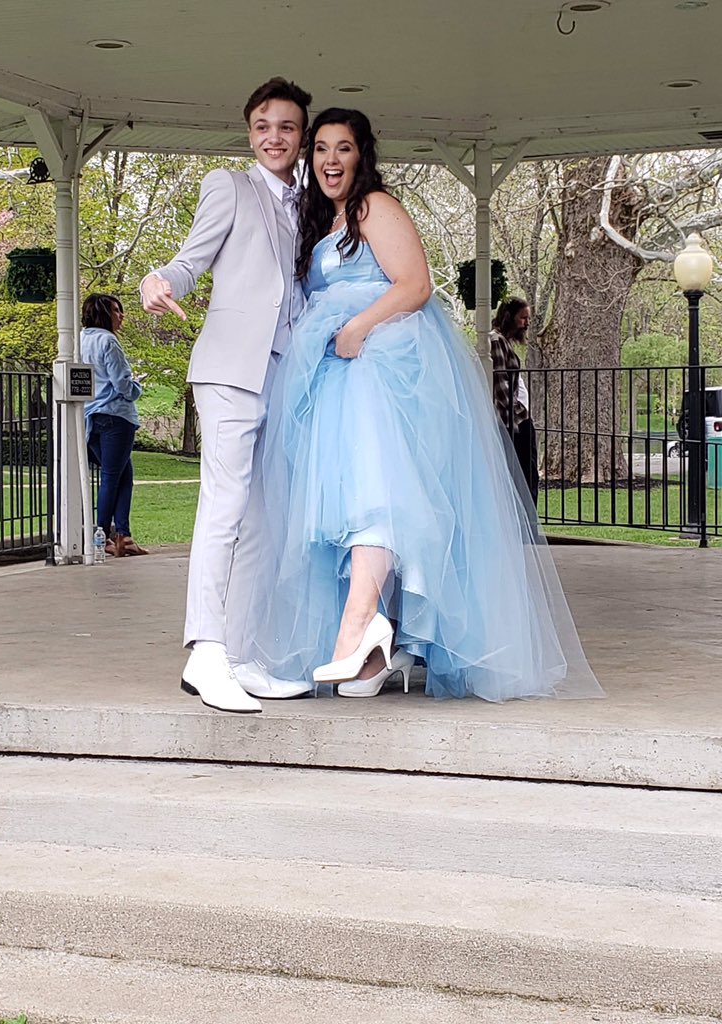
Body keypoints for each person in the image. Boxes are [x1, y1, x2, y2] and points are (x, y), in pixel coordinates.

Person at [238, 108, 604, 703]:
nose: (332, 160)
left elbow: (415, 284)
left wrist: (358, 328)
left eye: (344, 149)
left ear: (363, 155)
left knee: (376, 493)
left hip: (379, 364)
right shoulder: (317, 221)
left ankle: (358, 630)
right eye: (322, 149)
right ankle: (375, 644)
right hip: (329, 371)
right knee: (342, 505)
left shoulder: (374, 207)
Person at [141, 77, 314, 714]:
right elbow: (192, 259)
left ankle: (241, 655)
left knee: (268, 520)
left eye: (288, 127)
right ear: (250, 132)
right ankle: (205, 651)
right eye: (264, 125)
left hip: (288, 374)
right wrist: (157, 281)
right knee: (226, 506)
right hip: (230, 369)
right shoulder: (229, 187)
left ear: (301, 136)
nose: (275, 137)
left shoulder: (314, 201)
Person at [81, 293, 148, 559]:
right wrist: (137, 388)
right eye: (117, 311)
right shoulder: (109, 341)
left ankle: (124, 535)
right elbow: (122, 385)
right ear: (104, 314)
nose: (121, 316)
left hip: (90, 416)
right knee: (111, 477)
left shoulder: (80, 339)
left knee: (124, 475)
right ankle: (104, 537)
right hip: (116, 417)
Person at [490, 297, 539, 505]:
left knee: (528, 474)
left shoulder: (504, 341)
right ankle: (527, 522)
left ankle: (529, 520)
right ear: (509, 317)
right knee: (525, 475)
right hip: (513, 421)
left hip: (515, 418)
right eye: (522, 318)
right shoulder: (496, 341)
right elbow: (500, 385)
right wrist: (518, 419)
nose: (526, 323)